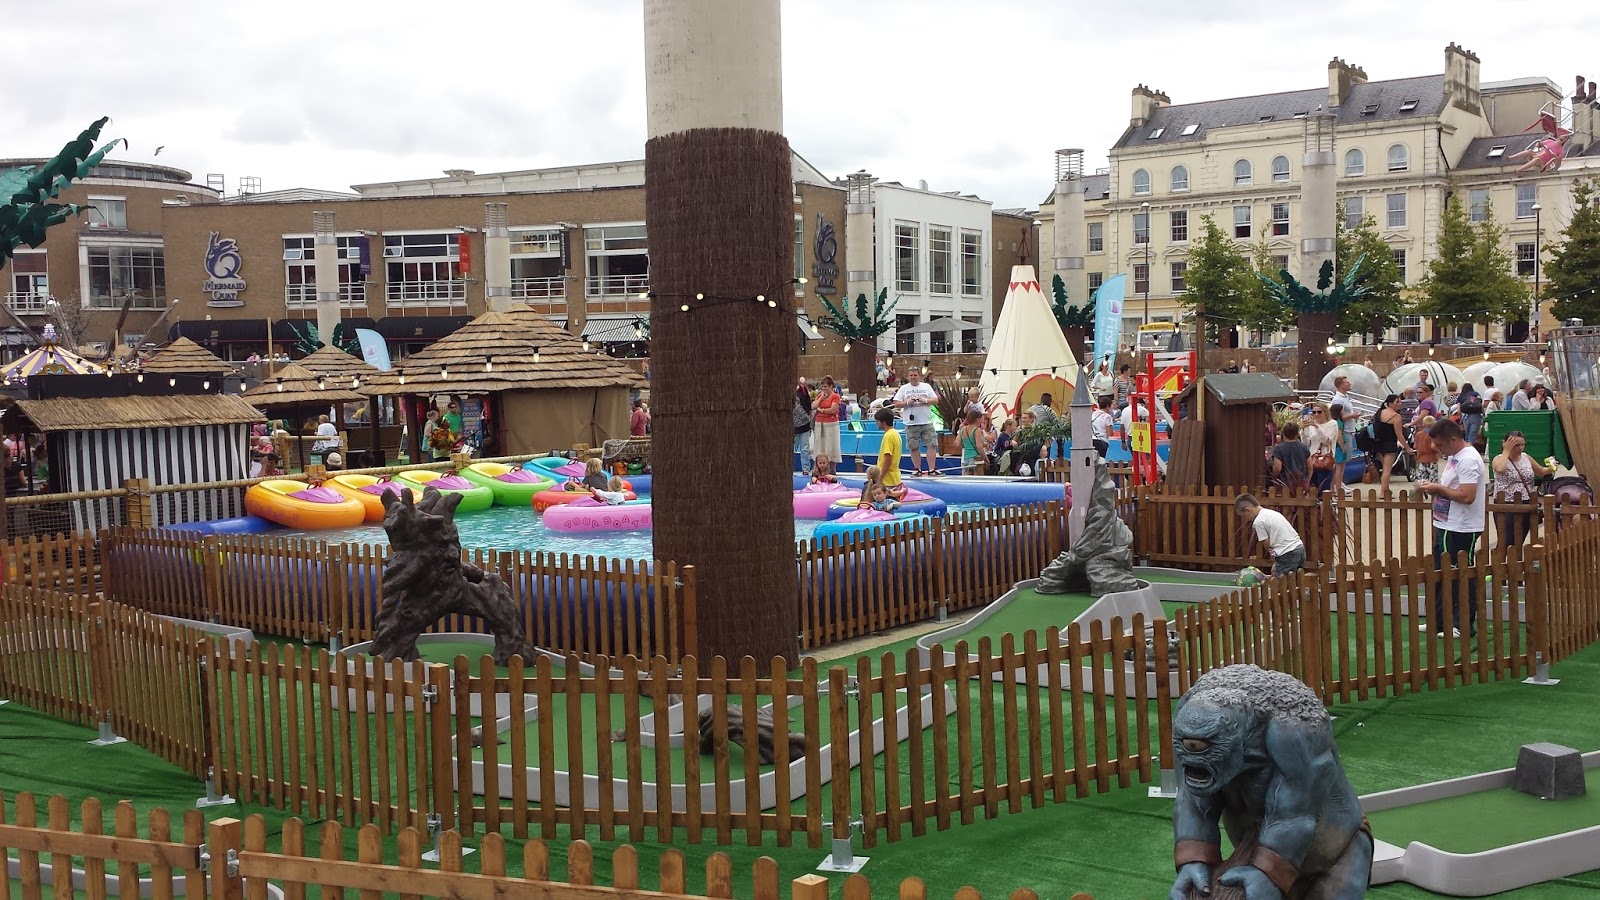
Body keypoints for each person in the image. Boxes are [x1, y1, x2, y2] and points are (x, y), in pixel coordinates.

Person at [1414, 419, 1485, 638]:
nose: (1437, 449)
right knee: (1440, 571)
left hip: (1461, 527)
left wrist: (1438, 489)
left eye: (1441, 445)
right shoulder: (1455, 456)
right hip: (1446, 523)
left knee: (1460, 574)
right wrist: (1434, 488)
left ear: (1453, 440)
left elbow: (1467, 496)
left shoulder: (1469, 459)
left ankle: (1461, 623)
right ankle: (1438, 620)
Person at [1490, 430, 1552, 550]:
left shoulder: (1525, 457)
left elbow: (1541, 471)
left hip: (1526, 502)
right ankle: (1501, 563)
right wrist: (1506, 451)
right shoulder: (1499, 459)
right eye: (1516, 445)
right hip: (1506, 504)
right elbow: (1500, 469)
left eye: (1522, 445)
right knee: (1506, 540)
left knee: (1519, 539)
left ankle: (1516, 563)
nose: (1520, 448)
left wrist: (1551, 467)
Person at [1235, 494, 1306, 576]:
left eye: (1244, 516)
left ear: (1247, 510)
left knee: (1280, 583)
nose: (1245, 519)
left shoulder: (1258, 522)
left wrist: (1276, 560)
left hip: (1286, 552)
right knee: (1296, 579)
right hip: (1299, 548)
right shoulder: (1272, 513)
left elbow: (1266, 543)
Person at [891, 368, 940, 476]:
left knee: (931, 444)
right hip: (911, 423)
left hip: (926, 421)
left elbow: (936, 400)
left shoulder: (926, 387)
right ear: (908, 376)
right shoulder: (904, 388)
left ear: (919, 376)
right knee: (913, 446)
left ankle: (932, 469)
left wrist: (925, 400)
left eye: (915, 375)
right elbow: (896, 403)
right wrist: (907, 402)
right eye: (911, 375)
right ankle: (917, 469)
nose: (913, 377)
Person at [1374, 394, 1410, 496]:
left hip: (1378, 443)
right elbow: (1399, 434)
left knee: (1384, 468)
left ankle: (1386, 489)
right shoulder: (1396, 416)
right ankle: (1383, 492)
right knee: (1387, 470)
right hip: (1389, 444)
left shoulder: (1380, 412)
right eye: (1397, 402)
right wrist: (1407, 448)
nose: (1400, 403)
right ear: (1390, 403)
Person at [874, 407, 907, 498]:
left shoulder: (888, 436)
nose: (876, 424)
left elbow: (888, 459)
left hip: (887, 480)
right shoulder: (896, 434)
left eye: (877, 421)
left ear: (883, 422)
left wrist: (880, 478)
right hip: (895, 478)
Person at [812, 375, 843, 466]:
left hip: (831, 424)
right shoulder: (819, 396)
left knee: (831, 445)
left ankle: (831, 468)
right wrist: (821, 398)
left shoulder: (836, 397)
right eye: (822, 386)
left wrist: (822, 410)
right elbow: (813, 406)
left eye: (825, 386)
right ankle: (818, 467)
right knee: (820, 445)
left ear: (831, 386)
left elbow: (833, 409)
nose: (823, 388)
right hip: (819, 424)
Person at [1304, 406, 1336, 492]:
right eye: (1314, 412)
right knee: (1312, 490)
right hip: (1312, 459)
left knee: (1324, 490)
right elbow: (1306, 443)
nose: (1316, 414)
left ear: (1325, 412)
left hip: (1325, 459)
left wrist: (1317, 427)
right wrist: (1302, 430)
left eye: (1319, 412)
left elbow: (1326, 441)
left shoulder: (1332, 424)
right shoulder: (1311, 426)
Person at [1270, 421, 1311, 489]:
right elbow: (1310, 467)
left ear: (1283, 433)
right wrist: (1307, 481)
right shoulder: (1304, 447)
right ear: (1297, 434)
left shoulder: (1279, 448)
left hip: (1284, 483)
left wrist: (1273, 477)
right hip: (1301, 482)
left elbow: (1277, 468)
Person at [793, 378, 815, 475]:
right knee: (792, 447)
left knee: (805, 447)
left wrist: (810, 418)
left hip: (804, 422)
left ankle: (805, 468)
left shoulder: (802, 389)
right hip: (791, 424)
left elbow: (808, 404)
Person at [957, 409, 988, 476]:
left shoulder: (963, 429)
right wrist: (985, 457)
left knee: (968, 481)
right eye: (980, 419)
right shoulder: (977, 430)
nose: (981, 421)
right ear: (977, 419)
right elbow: (979, 446)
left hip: (966, 458)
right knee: (977, 481)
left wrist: (967, 446)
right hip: (975, 458)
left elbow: (958, 444)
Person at [1412, 416, 1439, 485]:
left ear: (1423, 424)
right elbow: (1433, 447)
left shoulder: (1418, 434)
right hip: (1432, 459)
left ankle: (1422, 495)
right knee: (1433, 481)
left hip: (1421, 459)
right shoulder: (1433, 434)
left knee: (1422, 480)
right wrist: (1439, 451)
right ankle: (1433, 495)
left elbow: (1415, 446)